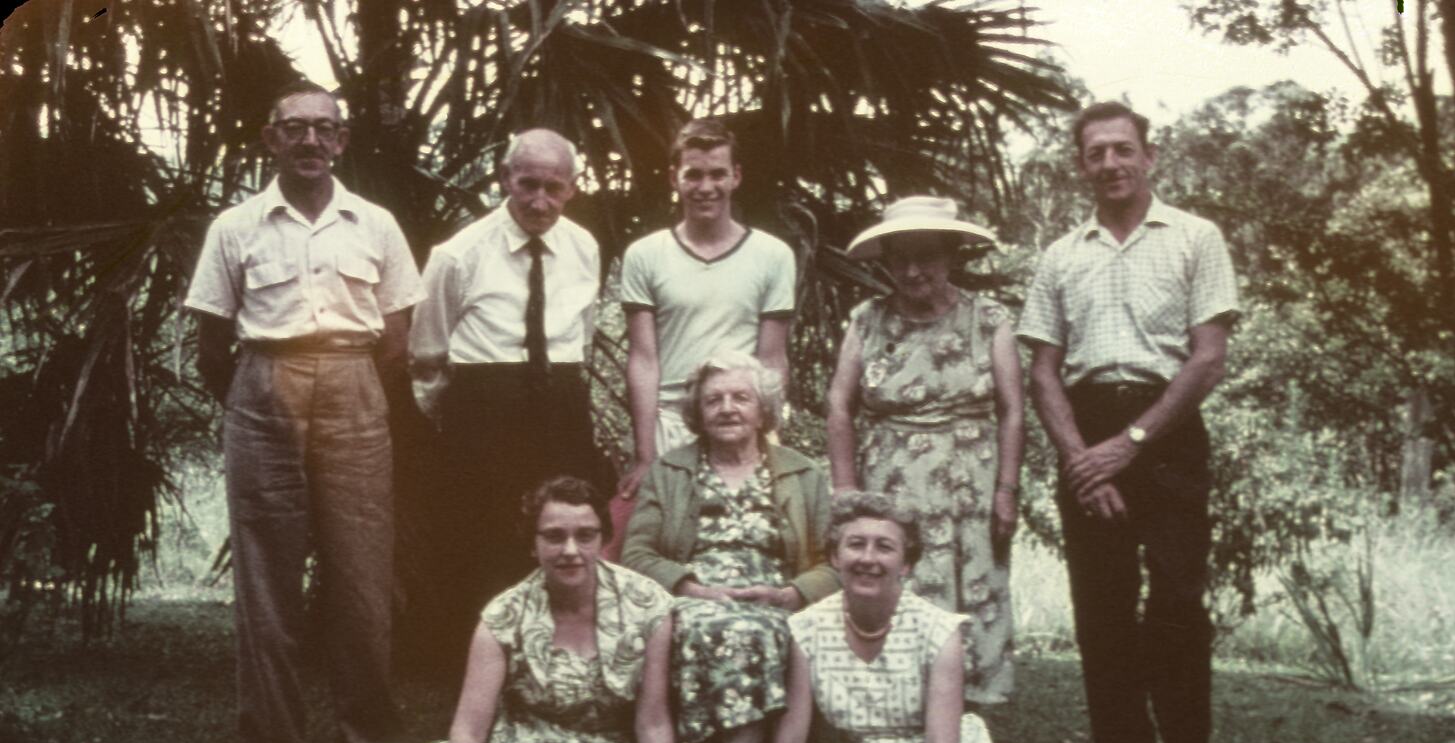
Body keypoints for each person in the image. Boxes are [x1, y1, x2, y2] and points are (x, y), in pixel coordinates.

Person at [699, 493, 1138, 743]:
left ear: (906, 564)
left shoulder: (937, 631)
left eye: (884, 548)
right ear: (835, 557)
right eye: (856, 545)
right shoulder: (808, 629)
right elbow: (791, 740)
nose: (868, 558)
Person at [183, 82, 423, 743]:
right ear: (271, 139)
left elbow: (398, 335)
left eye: (324, 129)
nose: (310, 142)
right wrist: (265, 390)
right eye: (295, 129)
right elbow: (209, 341)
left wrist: (337, 379)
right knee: (267, 584)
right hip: (263, 389)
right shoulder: (236, 227)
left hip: (354, 387)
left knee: (362, 580)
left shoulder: (374, 224)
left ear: (342, 141)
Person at [1016, 101, 1239, 743]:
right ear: (1080, 166)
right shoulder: (1061, 255)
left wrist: (1131, 444)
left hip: (1166, 433)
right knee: (1102, 612)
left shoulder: (1196, 238)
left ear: (1149, 156)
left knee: (1175, 604)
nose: (1109, 164)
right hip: (1087, 431)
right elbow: (1043, 371)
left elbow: (1207, 358)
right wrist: (1083, 459)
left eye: (1122, 150)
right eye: (1095, 154)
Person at [353, 477, 690, 743]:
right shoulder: (504, 616)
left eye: (585, 536)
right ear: (533, 545)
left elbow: (652, 724)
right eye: (553, 537)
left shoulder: (648, 605)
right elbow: (468, 731)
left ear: (604, 539)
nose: (570, 551)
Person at [407, 128, 611, 675]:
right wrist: (463, 419)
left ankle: (555, 660)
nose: (540, 201)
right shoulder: (458, 254)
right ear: (504, 180)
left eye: (554, 187)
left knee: (560, 529)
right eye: (528, 185)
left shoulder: (583, 247)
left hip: (561, 403)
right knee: (482, 536)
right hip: (483, 411)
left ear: (572, 188)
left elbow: (581, 334)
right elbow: (427, 357)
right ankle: (470, 667)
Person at [621, 350, 838, 743]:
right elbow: (636, 552)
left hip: (774, 599)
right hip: (694, 596)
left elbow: (833, 561)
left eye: (741, 397)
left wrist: (789, 593)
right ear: (697, 413)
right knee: (709, 627)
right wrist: (693, 587)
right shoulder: (669, 472)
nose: (727, 408)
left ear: (764, 410)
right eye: (714, 400)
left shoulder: (802, 474)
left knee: (757, 629)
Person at [825, 195, 1023, 705]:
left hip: (970, 488)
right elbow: (840, 407)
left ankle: (969, 721)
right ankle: (892, 713)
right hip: (891, 487)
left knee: (974, 593)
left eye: (926, 256)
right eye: (900, 258)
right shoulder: (867, 319)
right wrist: (846, 493)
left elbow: (1012, 409)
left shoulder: (988, 318)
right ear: (886, 261)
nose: (913, 271)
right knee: (893, 590)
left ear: (951, 254)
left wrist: (1006, 489)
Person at [618, 118, 796, 498]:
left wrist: (768, 438)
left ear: (736, 176)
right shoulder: (644, 255)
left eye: (717, 174)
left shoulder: (774, 255)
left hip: (742, 423)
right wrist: (645, 454)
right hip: (670, 422)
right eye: (693, 175)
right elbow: (643, 360)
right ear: (674, 178)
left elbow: (772, 360)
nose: (705, 187)